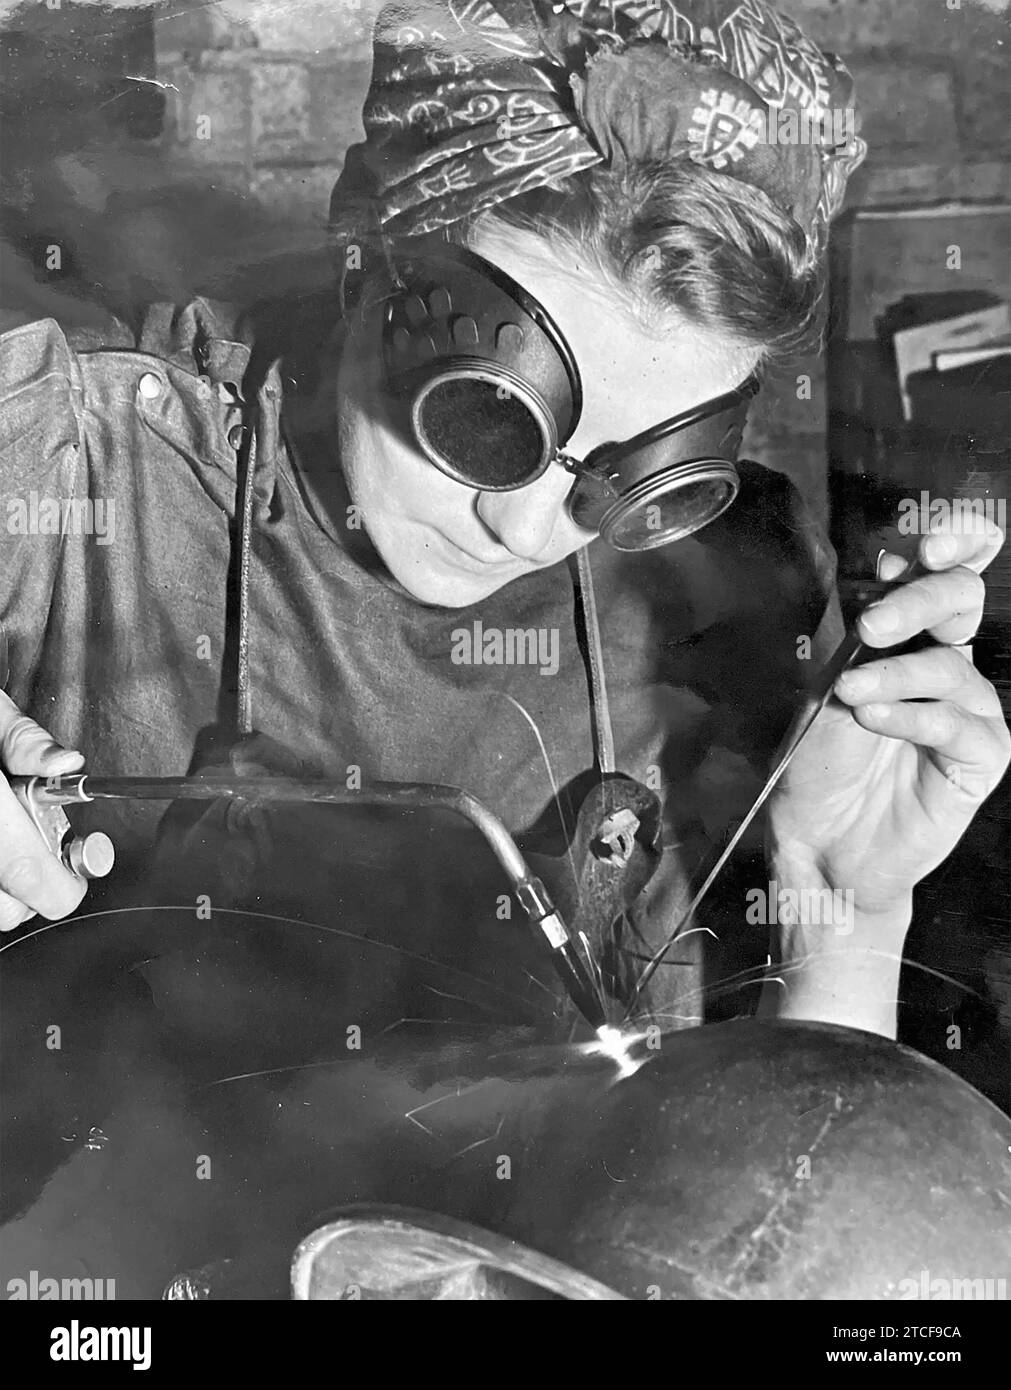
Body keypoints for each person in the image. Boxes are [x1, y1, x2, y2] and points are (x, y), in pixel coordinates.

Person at [0, 0, 1006, 1044]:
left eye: (635, 478)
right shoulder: (70, 474)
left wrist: (839, 909)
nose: (530, 532)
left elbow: (772, 1190)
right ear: (373, 250)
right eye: (490, 419)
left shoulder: (721, 593)